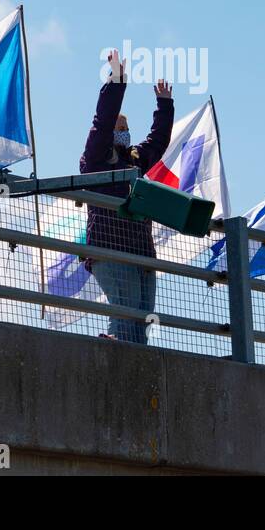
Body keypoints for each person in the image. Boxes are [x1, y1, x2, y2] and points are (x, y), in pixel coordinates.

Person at [79, 48, 173, 342]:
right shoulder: (94, 159)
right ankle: (115, 355)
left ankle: (136, 363)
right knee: (125, 309)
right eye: (120, 128)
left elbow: (157, 143)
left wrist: (164, 105)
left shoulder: (133, 159)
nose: (124, 131)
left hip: (141, 249)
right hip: (110, 245)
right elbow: (103, 119)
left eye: (127, 128)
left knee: (142, 318)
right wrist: (117, 80)